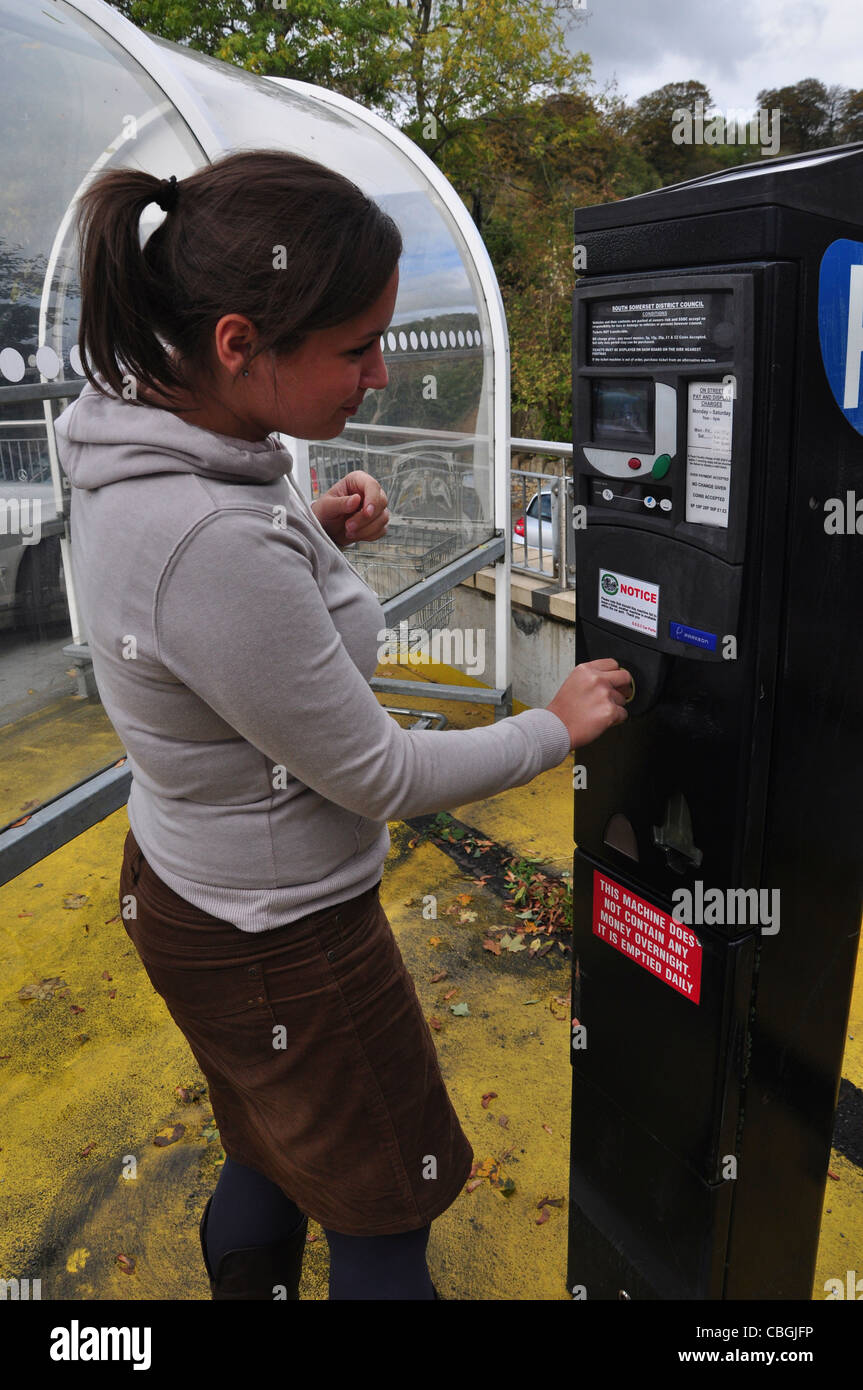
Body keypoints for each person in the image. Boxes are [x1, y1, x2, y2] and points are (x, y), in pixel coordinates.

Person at [54, 149, 632, 1302]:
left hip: (189, 886)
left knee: (269, 1145)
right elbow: (374, 770)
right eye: (354, 347)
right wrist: (552, 728)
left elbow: (213, 597)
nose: (377, 375)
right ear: (236, 342)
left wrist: (308, 534)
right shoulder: (210, 541)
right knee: (385, 1207)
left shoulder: (148, 434)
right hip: (282, 940)